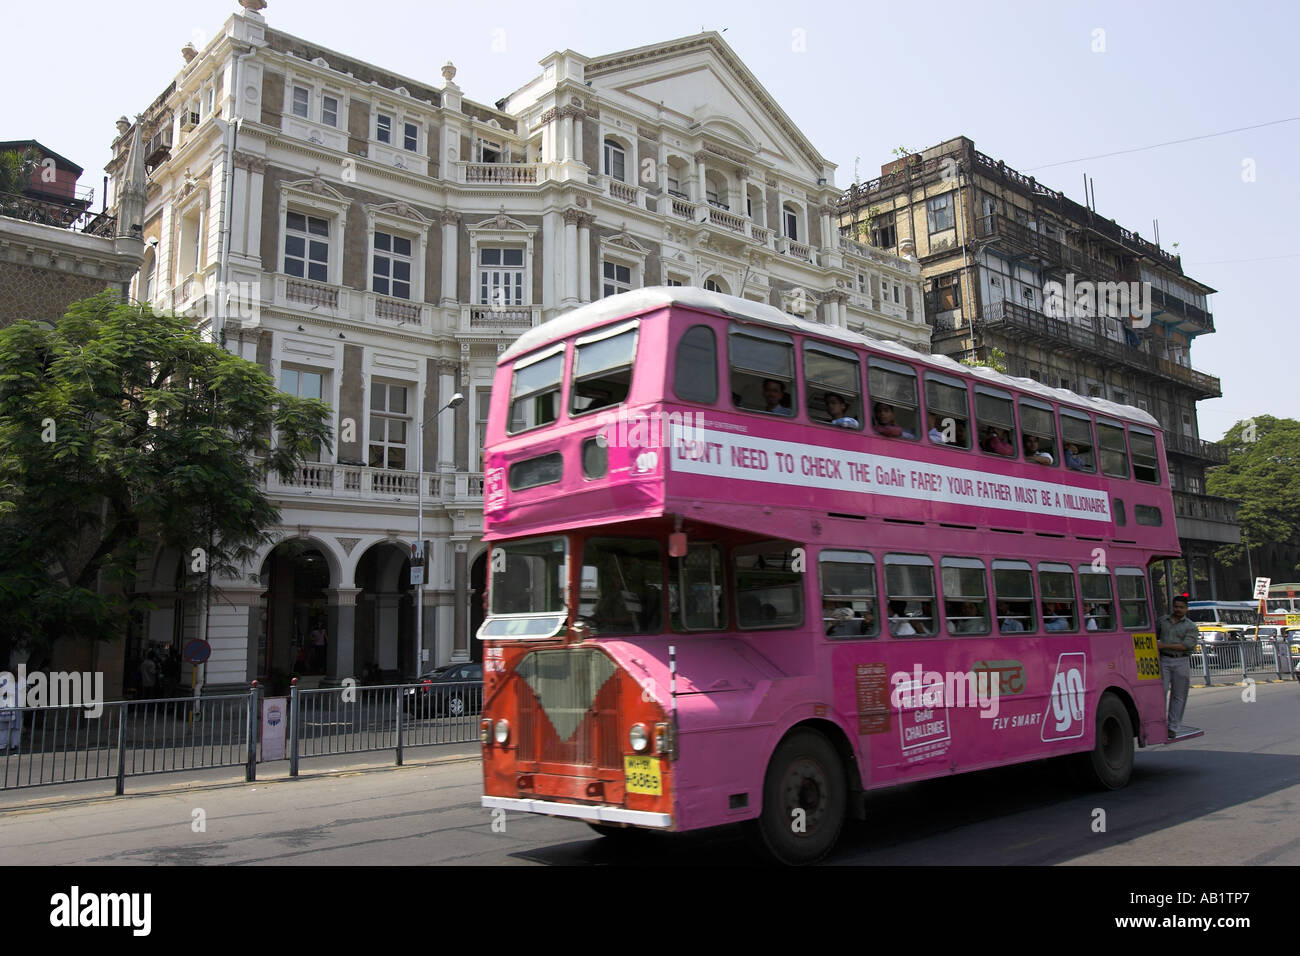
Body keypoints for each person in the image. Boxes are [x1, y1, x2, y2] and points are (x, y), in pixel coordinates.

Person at [1156, 596, 1199, 738]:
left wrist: (1163, 645)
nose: (1178, 609)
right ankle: (1158, 724)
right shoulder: (1162, 621)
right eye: (1176, 606)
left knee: (1178, 696)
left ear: (1186, 609)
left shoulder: (1190, 626)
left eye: (1181, 607)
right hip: (1164, 660)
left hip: (1181, 661)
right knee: (1160, 692)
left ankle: (1173, 727)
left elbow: (1186, 646)